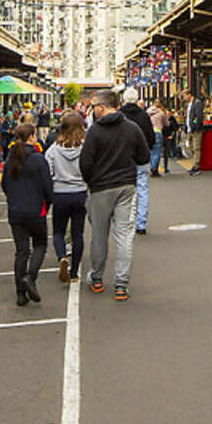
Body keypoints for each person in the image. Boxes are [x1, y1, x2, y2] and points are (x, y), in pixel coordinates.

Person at [78, 89, 147, 301]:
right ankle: (121, 284)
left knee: (99, 235)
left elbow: (85, 164)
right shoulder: (132, 129)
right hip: (126, 187)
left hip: (100, 189)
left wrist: (92, 182)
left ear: (102, 106)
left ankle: (97, 279)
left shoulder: (95, 132)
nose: (92, 110)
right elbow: (143, 156)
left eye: (94, 106)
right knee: (124, 236)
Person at [1, 122, 53, 306]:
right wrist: (47, 202)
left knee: (21, 251)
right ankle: (30, 278)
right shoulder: (39, 159)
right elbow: (48, 186)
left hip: (15, 211)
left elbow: (5, 185)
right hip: (35, 210)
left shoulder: (10, 159)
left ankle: (20, 294)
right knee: (40, 244)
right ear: (32, 137)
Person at [45, 114, 88, 285]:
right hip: (80, 192)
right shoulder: (85, 148)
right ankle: (75, 271)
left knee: (58, 232)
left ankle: (62, 257)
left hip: (60, 193)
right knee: (78, 233)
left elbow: (48, 172)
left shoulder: (53, 150)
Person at [119, 87, 157, 232]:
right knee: (142, 190)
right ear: (136, 99)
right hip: (141, 159)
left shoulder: (119, 116)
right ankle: (141, 224)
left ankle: (125, 222)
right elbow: (151, 137)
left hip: (122, 160)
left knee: (123, 192)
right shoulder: (143, 116)